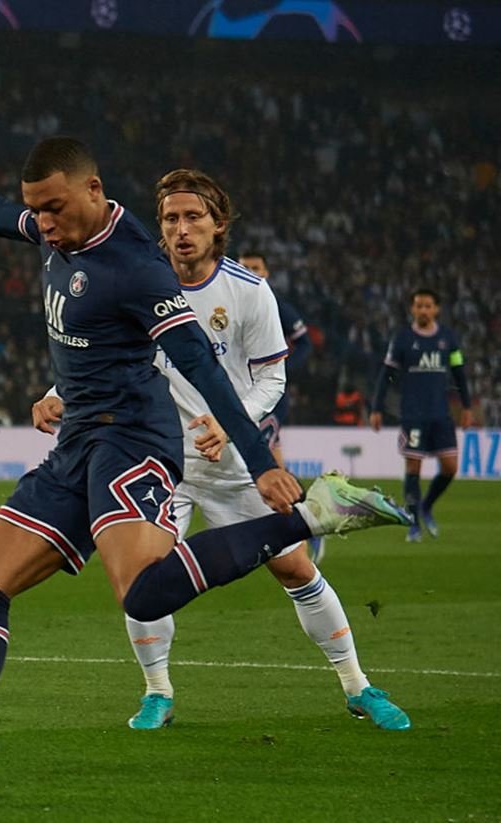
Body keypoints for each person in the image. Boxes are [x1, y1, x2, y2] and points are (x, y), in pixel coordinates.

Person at [0, 139, 411, 794]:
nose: (44, 224)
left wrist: (260, 461)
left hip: (135, 439)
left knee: (142, 593)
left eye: (54, 208)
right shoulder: (57, 233)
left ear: (93, 191)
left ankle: (315, 514)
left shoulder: (137, 267)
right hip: (79, 439)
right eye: (39, 211)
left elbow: (200, 365)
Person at [36, 169, 405, 733]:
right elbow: (104, 359)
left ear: (219, 225)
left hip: (233, 464)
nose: (181, 230)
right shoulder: (136, 278)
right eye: (170, 219)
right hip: (157, 460)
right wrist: (56, 393)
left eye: (193, 218)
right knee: (141, 584)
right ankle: (157, 692)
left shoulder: (250, 293)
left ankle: (358, 685)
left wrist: (233, 425)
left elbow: (273, 381)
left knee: (296, 570)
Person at [238, 250, 324, 563]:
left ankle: (307, 522)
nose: (249, 271)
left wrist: (282, 369)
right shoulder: (230, 300)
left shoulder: (274, 303)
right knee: (273, 466)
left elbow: (305, 342)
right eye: (244, 266)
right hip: (239, 395)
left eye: (255, 267)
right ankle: (308, 518)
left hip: (268, 396)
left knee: (266, 465)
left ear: (267, 272)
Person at [370, 288, 473, 542]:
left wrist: (467, 406)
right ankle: (414, 522)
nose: (423, 310)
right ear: (413, 309)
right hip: (413, 414)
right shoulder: (403, 338)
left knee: (450, 467)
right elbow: (386, 375)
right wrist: (376, 407)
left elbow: (459, 373)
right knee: (413, 466)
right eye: (419, 306)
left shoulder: (448, 338)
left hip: (441, 414)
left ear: (436, 309)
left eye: (428, 306)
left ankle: (426, 505)